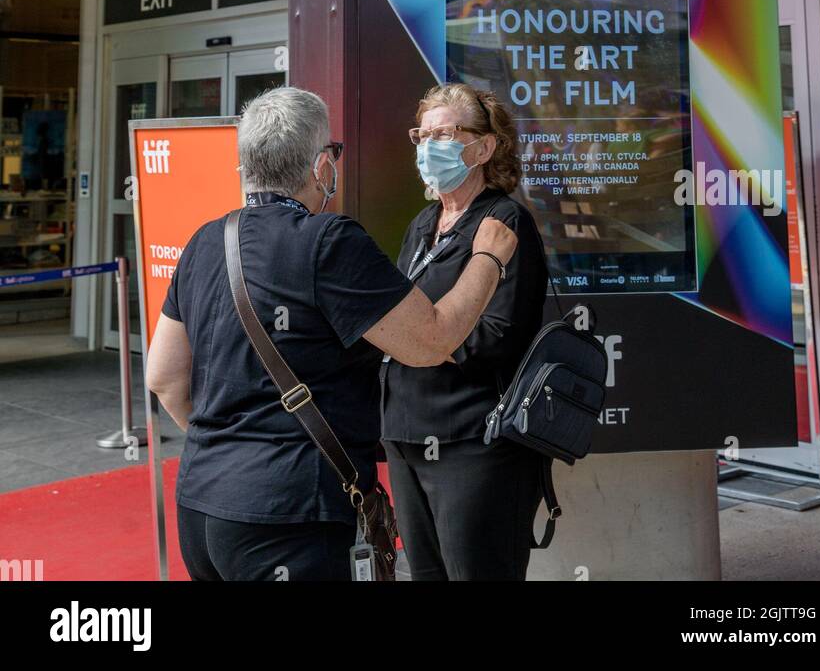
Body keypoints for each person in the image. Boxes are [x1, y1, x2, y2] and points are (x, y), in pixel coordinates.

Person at [145, 85, 516, 582]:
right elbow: (431, 341)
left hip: (201, 507)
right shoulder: (329, 240)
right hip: (291, 511)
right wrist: (489, 257)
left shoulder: (206, 240)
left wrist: (231, 450)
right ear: (322, 165)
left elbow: (164, 375)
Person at [381, 81, 549, 581]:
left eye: (444, 133)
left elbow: (498, 337)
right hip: (406, 435)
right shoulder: (423, 222)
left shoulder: (504, 222)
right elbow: (397, 314)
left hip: (471, 444)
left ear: (483, 147)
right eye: (422, 135)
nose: (429, 146)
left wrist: (423, 342)